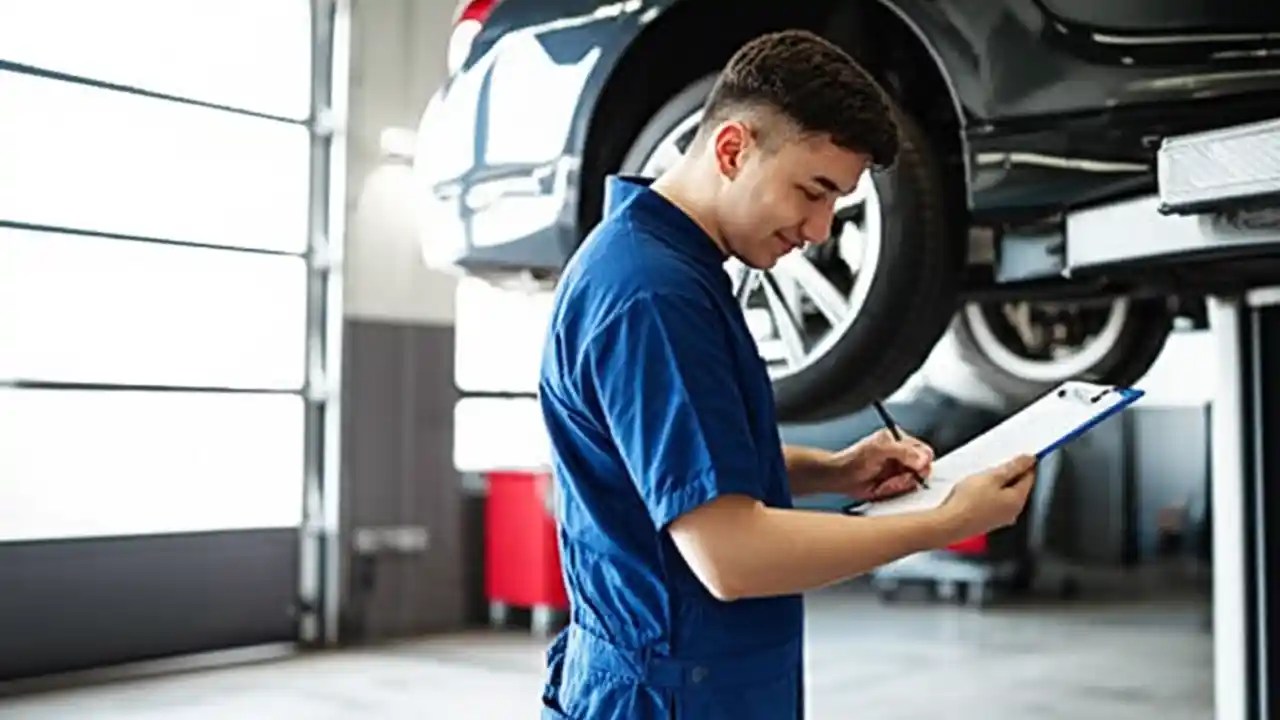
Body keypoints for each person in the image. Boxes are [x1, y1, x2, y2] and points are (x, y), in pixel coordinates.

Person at [535, 29, 1038, 719]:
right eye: (813, 190)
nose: (822, 228)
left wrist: (833, 469)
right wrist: (944, 523)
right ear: (733, 150)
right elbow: (730, 556)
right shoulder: (654, 294)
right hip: (670, 697)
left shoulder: (674, 268)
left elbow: (679, 464)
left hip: (701, 683)